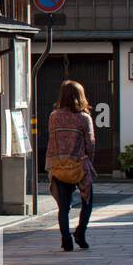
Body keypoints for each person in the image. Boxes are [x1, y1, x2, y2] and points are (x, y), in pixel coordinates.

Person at [45, 80, 96, 251]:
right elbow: (91, 143)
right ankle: (80, 233)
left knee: (63, 206)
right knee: (87, 200)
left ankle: (65, 239)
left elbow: (52, 140)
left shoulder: (54, 116)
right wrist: (90, 160)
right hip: (78, 165)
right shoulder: (84, 117)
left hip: (58, 165)